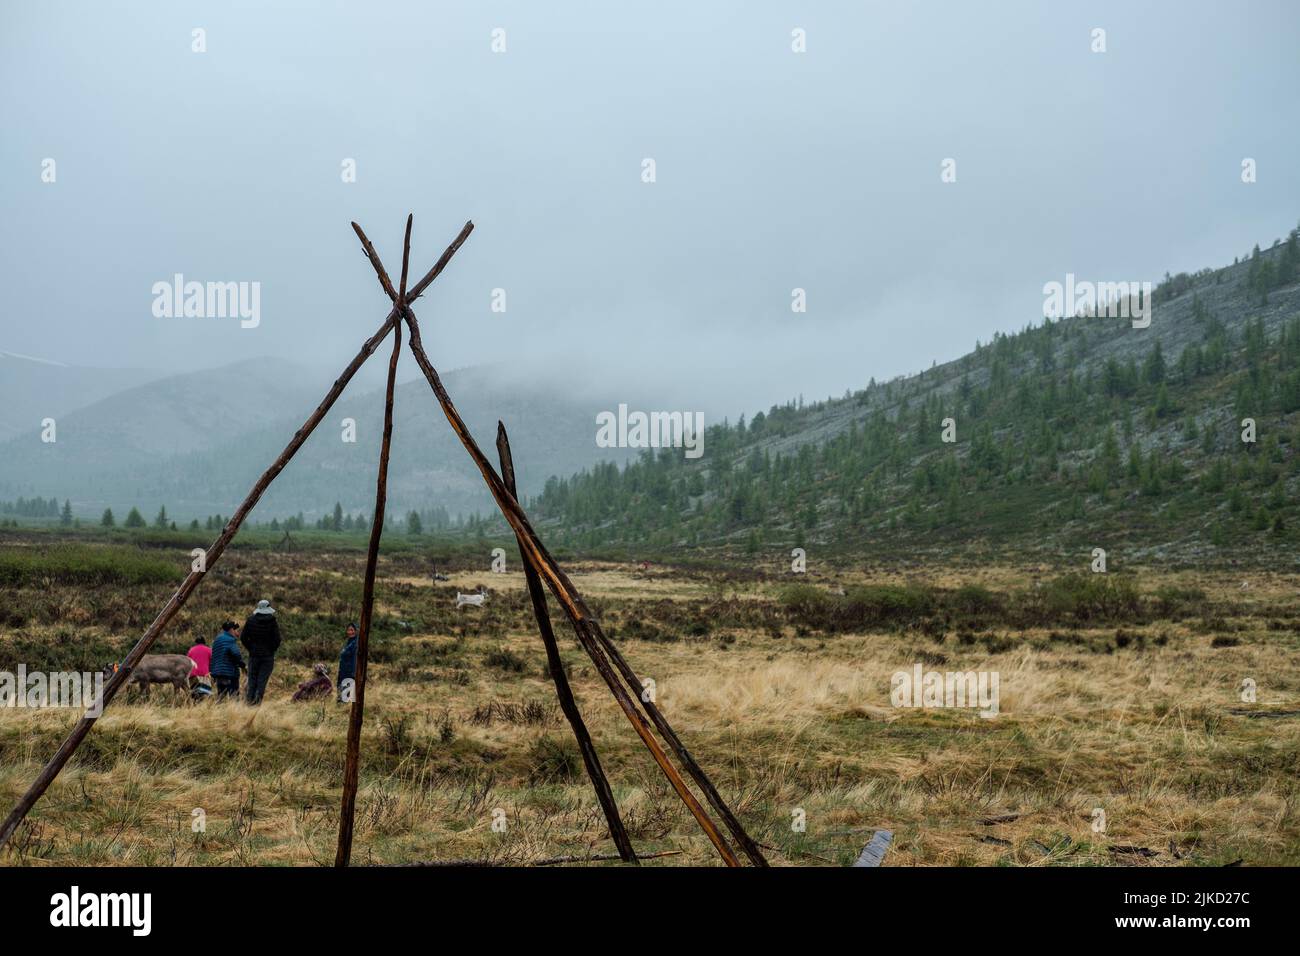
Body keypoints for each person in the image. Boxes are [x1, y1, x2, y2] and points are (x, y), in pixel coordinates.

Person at [241, 600, 282, 705]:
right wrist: (271, 650)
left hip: (254, 656)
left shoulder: (250, 620)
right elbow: (277, 639)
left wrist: (251, 648)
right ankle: (257, 704)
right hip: (267, 657)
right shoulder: (272, 621)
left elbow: (243, 638)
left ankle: (249, 703)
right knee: (262, 681)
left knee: (252, 680)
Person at [210, 621, 245, 700]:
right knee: (234, 696)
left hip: (218, 673)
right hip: (229, 673)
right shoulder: (230, 640)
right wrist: (242, 664)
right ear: (232, 630)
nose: (238, 633)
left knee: (221, 696)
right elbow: (236, 654)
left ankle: (218, 711)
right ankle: (234, 712)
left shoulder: (217, 639)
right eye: (237, 630)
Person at [336, 622, 358, 703]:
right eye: (348, 630)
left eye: (352, 630)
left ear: (356, 631)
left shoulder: (356, 642)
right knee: (343, 689)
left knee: (347, 690)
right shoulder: (350, 641)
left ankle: (345, 707)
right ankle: (342, 706)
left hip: (350, 670)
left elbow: (349, 655)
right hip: (344, 670)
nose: (350, 632)